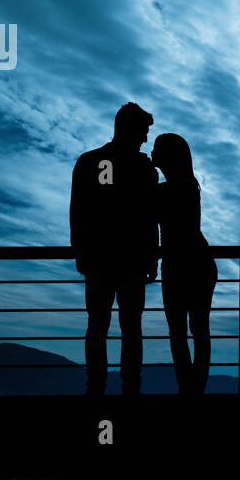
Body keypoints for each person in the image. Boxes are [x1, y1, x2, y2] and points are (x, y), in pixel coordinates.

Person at [69, 102, 158, 395]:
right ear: (130, 129)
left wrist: (81, 252)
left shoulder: (89, 161)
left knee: (98, 327)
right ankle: (130, 391)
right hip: (129, 260)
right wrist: (151, 257)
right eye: (143, 131)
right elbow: (149, 216)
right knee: (130, 329)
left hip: (100, 260)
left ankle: (96, 390)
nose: (146, 138)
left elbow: (79, 212)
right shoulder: (143, 170)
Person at [151, 133, 217, 395]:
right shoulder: (187, 185)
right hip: (194, 263)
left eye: (156, 149)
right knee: (194, 330)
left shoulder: (171, 189)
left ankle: (190, 389)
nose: (151, 152)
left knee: (184, 331)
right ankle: (193, 389)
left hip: (185, 266)